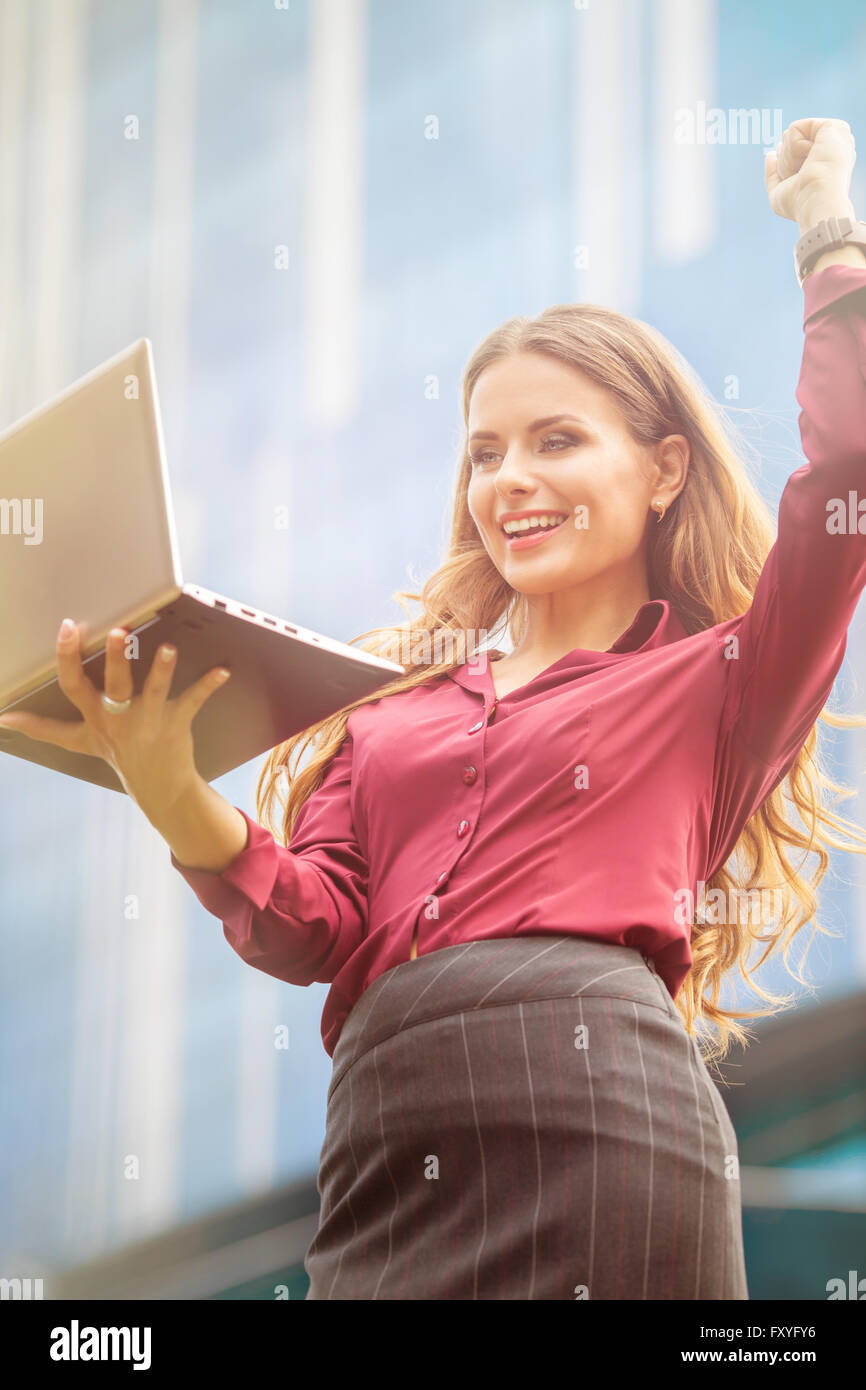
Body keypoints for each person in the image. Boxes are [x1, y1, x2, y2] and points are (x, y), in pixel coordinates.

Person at [4, 116, 866, 1301]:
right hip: (380, 1156)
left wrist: (827, 232)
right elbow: (307, 926)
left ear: (663, 469)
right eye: (484, 453)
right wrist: (169, 792)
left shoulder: (718, 683)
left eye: (555, 440)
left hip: (606, 1127)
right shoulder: (387, 713)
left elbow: (844, 485)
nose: (507, 479)